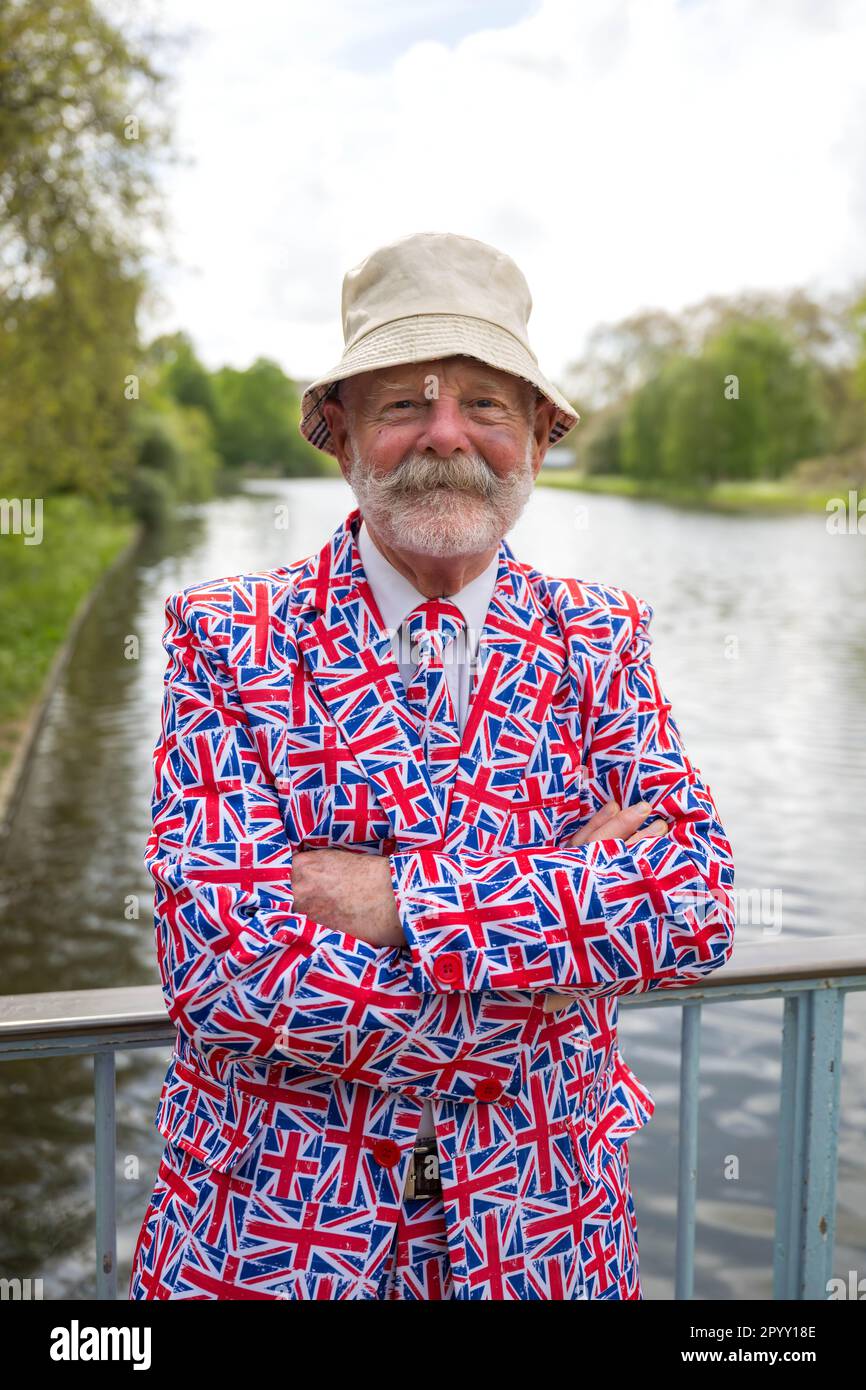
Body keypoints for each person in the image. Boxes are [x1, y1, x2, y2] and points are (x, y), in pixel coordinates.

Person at [129, 232, 735, 1300]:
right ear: (344, 435)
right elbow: (225, 971)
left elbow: (692, 902)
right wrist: (544, 996)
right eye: (404, 403)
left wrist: (403, 900)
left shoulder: (598, 634)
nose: (444, 435)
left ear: (538, 437)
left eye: (485, 404)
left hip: (546, 1244)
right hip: (271, 1245)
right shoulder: (227, 635)